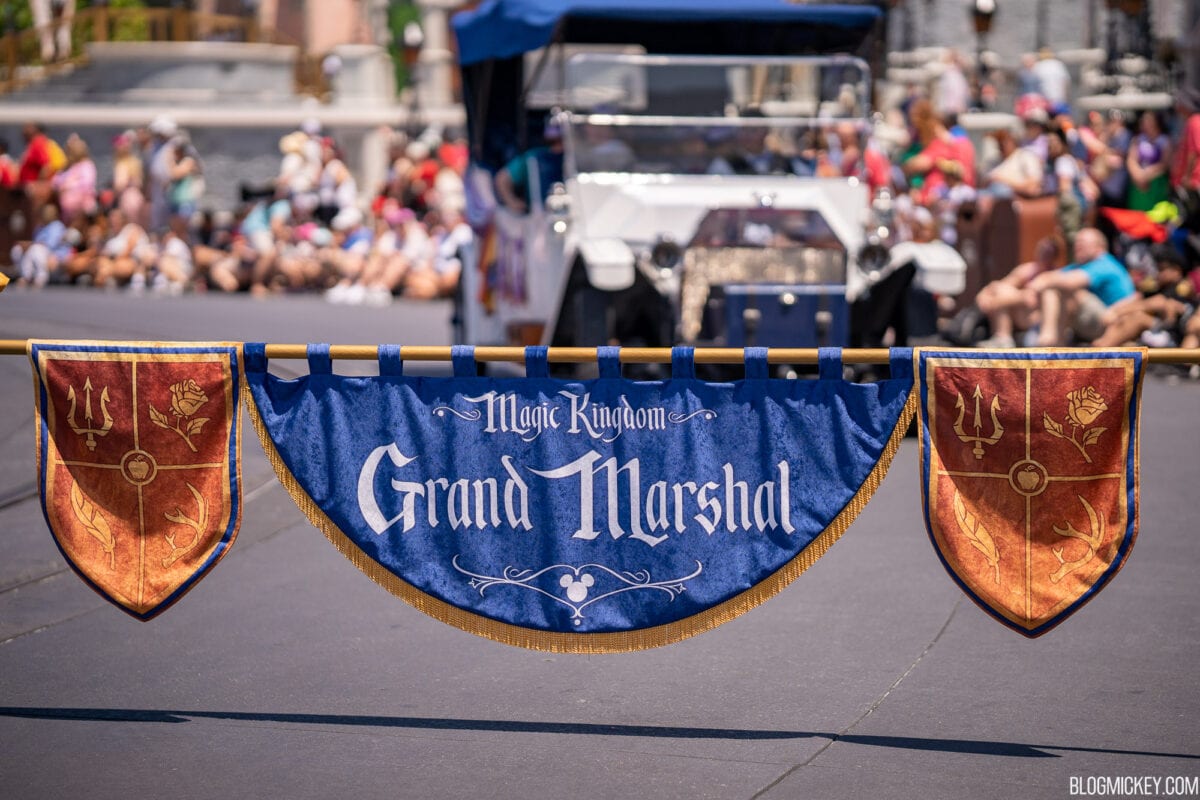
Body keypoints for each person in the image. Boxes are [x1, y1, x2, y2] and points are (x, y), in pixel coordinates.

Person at [1026, 227, 1136, 346]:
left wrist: (1040, 283)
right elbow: (1052, 277)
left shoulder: (1105, 264)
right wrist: (1032, 289)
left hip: (1113, 321)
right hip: (1094, 321)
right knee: (1045, 291)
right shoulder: (1081, 266)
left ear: (1099, 246)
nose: (1077, 246)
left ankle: (1048, 341)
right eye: (1076, 243)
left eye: (1082, 243)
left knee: (1061, 289)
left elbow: (1068, 282)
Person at [1093, 244, 1196, 347]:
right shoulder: (1158, 288)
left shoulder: (1182, 287)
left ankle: (1100, 351)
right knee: (1126, 319)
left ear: (1176, 270)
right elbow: (1139, 300)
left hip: (1175, 334)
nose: (1159, 274)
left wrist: (1117, 312)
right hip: (1158, 331)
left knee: (1138, 318)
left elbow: (1157, 303)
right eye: (1158, 269)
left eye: (1163, 269)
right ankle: (1100, 346)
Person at [975, 233, 1067, 347]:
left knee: (1048, 294)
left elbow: (1031, 298)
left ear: (1055, 255)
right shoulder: (1028, 270)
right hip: (1021, 317)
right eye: (1042, 248)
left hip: (1038, 321)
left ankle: (1046, 337)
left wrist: (995, 302)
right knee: (1000, 289)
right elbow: (999, 286)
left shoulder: (1056, 274)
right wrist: (983, 296)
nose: (1044, 253)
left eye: (1049, 250)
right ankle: (1002, 338)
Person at [494, 122, 564, 215]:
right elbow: (502, 179)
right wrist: (513, 202)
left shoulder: (577, 158)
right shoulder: (534, 157)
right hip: (540, 215)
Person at [1126, 110, 1172, 212]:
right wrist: (1138, 175)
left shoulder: (1164, 140)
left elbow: (1165, 163)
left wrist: (1146, 175)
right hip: (1138, 183)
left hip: (1156, 184)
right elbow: (1131, 159)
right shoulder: (1138, 139)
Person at [51, 134, 97, 225]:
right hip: (65, 209)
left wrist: (68, 187)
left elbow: (87, 184)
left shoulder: (86, 165)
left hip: (82, 207)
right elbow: (56, 181)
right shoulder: (69, 167)